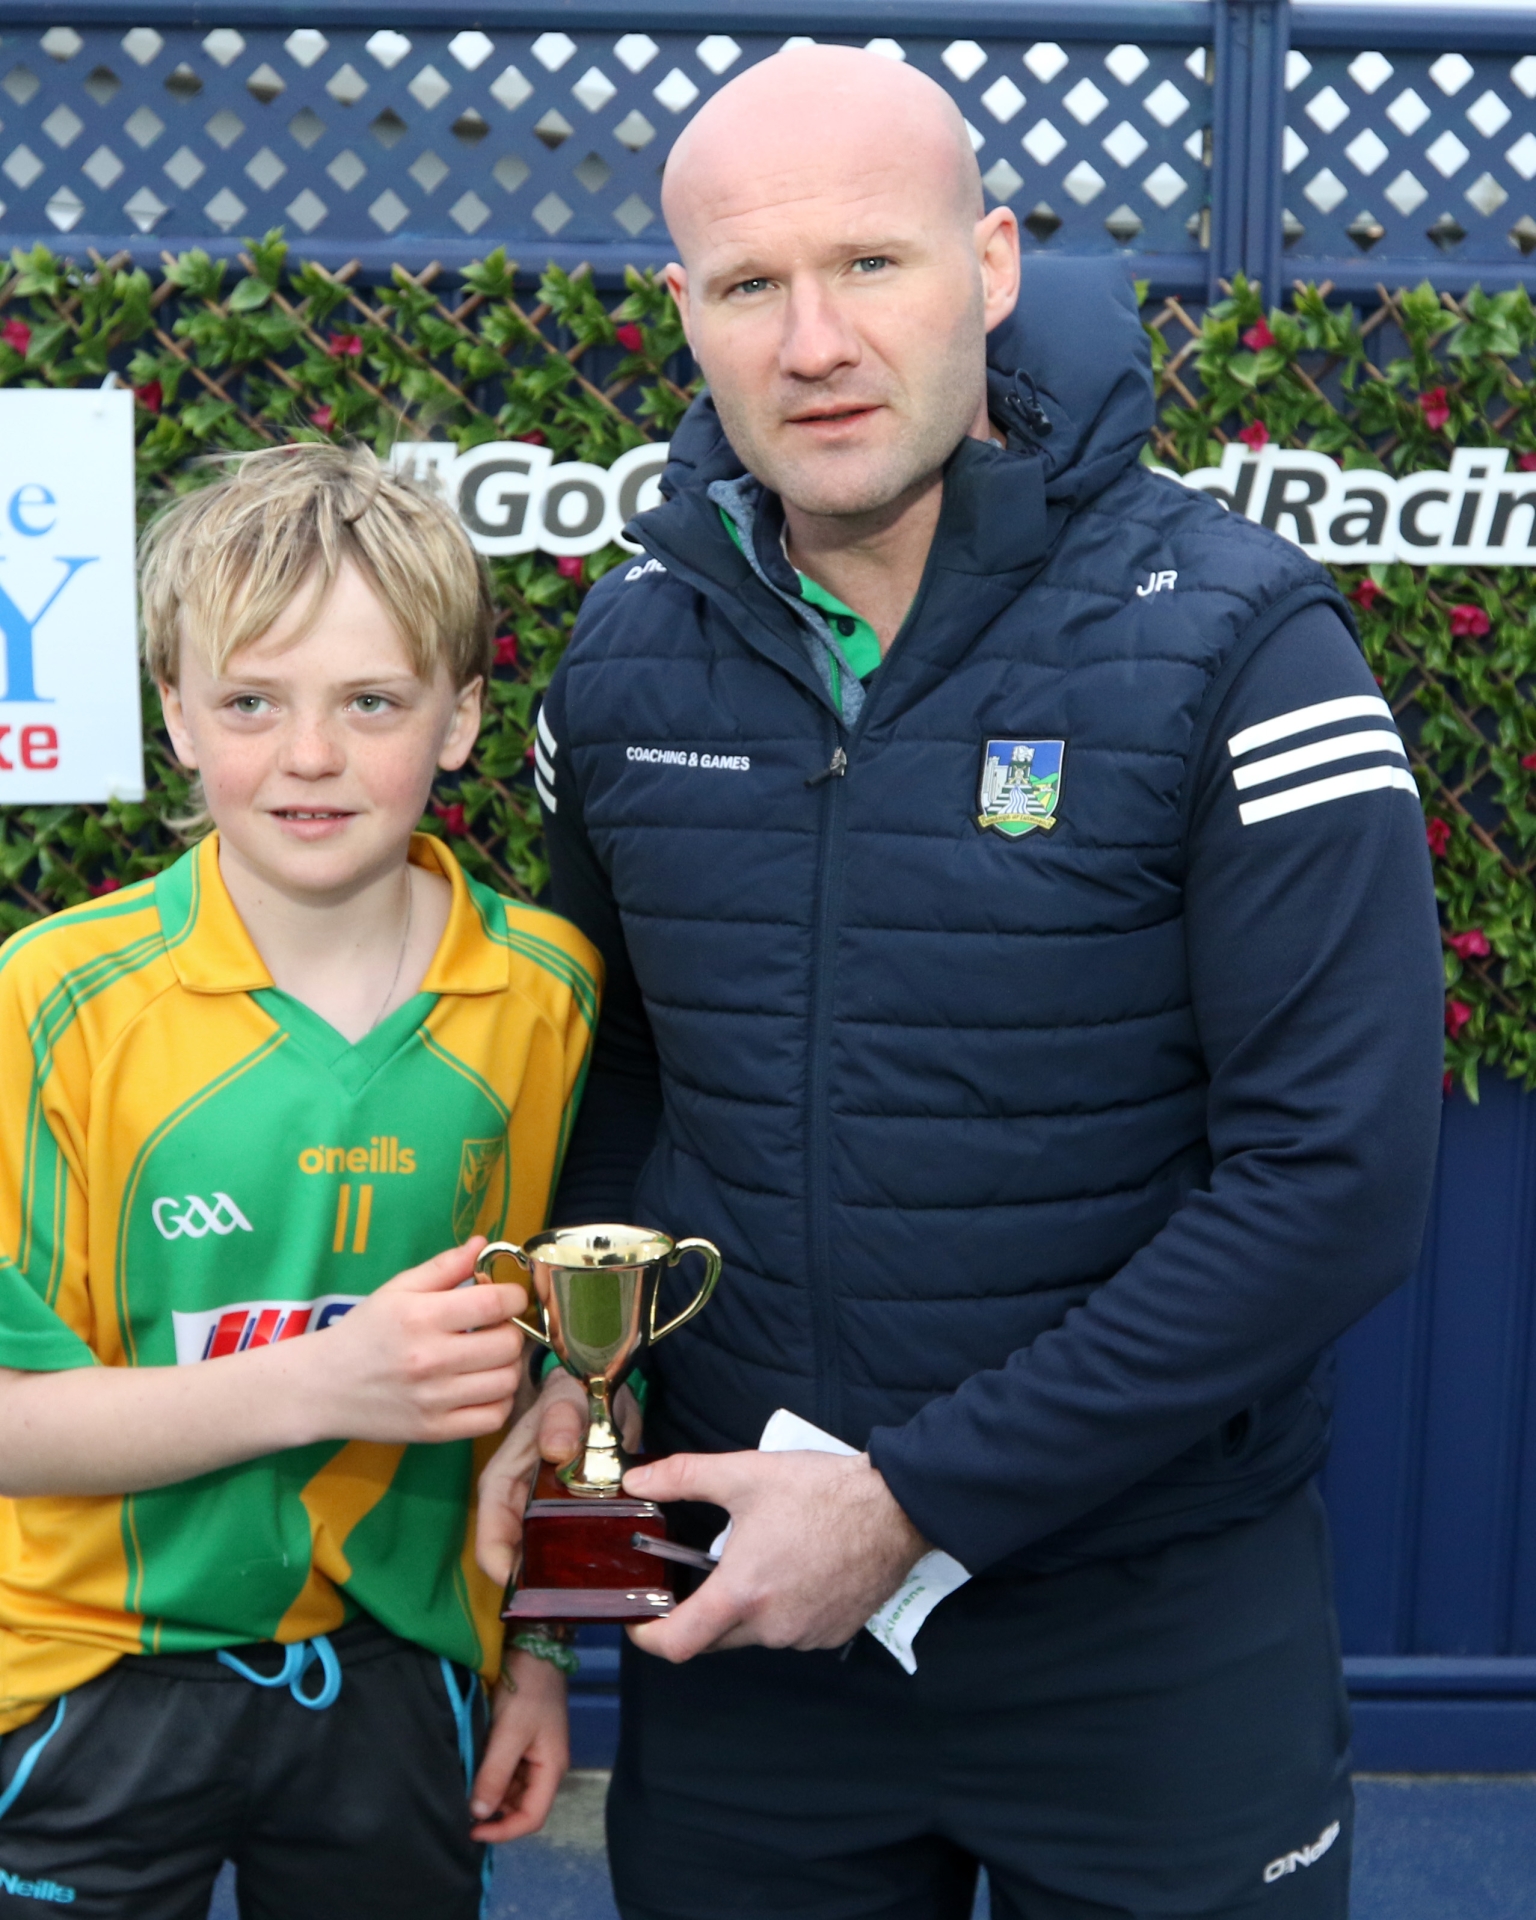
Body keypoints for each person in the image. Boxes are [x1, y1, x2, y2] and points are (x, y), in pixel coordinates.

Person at [480, 44, 1444, 1920]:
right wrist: (564, 1360)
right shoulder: (619, 659)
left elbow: (1335, 1185)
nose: (815, 339)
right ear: (684, 313)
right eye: (751, 286)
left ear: (992, 264)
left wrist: (912, 1499)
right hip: (757, 1629)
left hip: (1150, 1629)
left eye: (875, 265)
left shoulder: (1242, 638)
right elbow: (621, 1085)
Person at [0, 446, 600, 1917]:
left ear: (461, 720)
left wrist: (543, 1653)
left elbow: (590, 1383)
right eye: (253, 701)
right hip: (90, 1674)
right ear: (176, 718)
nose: (309, 756)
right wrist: (333, 1383)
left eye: (372, 702)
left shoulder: (550, 996)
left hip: (409, 1682)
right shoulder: (50, 999)